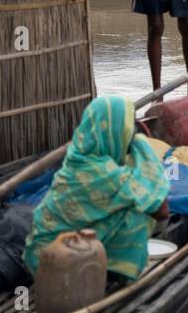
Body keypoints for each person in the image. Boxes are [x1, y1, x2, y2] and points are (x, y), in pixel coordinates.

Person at [23, 96, 170, 282]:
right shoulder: (107, 174)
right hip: (62, 265)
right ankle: (115, 274)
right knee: (139, 214)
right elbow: (162, 210)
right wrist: (145, 152)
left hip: (39, 255)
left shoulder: (76, 157)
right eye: (128, 127)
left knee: (130, 201)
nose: (132, 133)